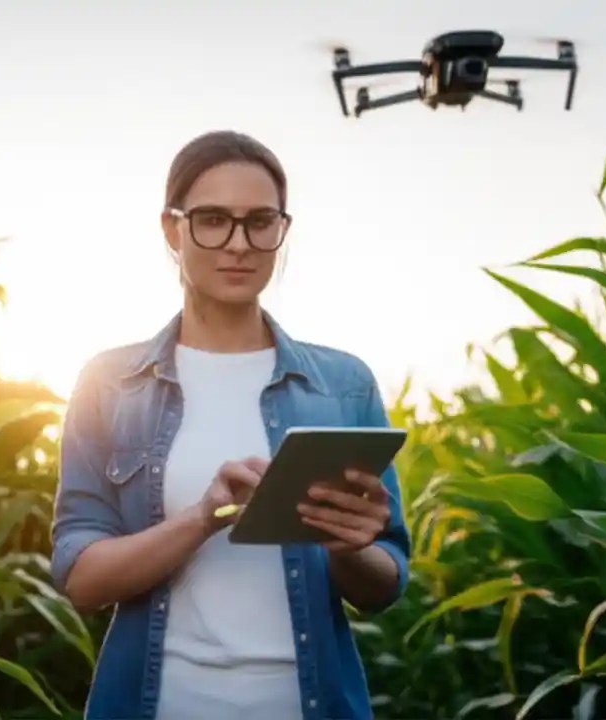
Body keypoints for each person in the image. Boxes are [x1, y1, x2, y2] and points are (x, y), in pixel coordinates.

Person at [49, 129, 411, 720]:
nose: (239, 244)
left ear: (281, 229)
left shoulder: (343, 385)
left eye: (260, 221)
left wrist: (349, 546)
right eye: (213, 219)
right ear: (173, 229)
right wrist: (201, 518)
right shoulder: (110, 383)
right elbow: (82, 580)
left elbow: (384, 586)